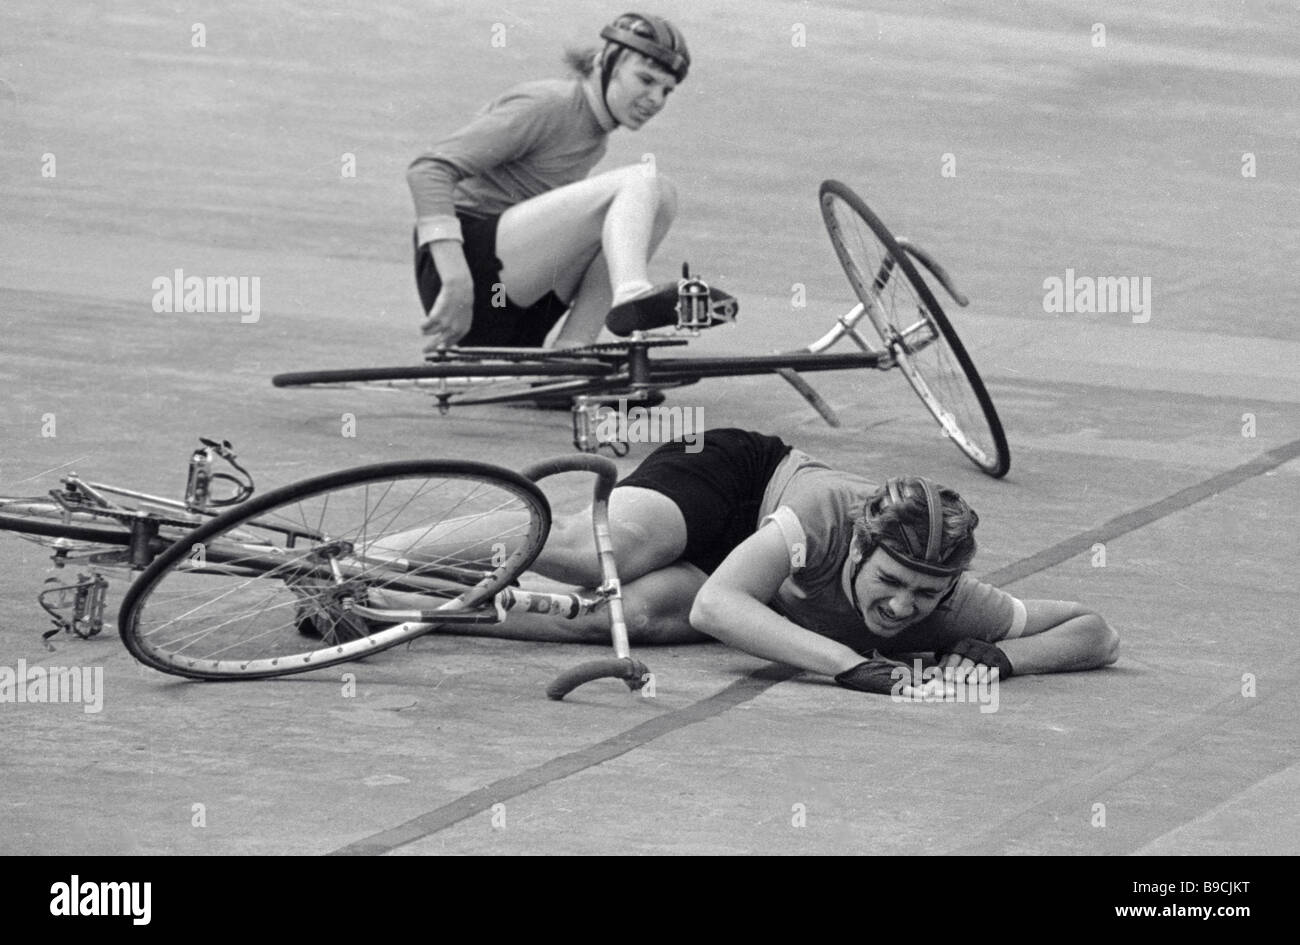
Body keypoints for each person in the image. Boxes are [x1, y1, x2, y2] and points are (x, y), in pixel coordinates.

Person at [373, 429, 1119, 698]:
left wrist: (1007, 658)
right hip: (733, 484)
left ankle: (386, 608)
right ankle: (368, 554)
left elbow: (1095, 631)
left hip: (737, 567)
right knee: (601, 552)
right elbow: (719, 609)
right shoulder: (827, 511)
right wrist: (847, 665)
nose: (902, 608)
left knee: (621, 619)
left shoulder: (950, 600)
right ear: (861, 546)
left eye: (924, 596)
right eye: (890, 582)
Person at [407, 12, 734, 354]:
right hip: (465, 281)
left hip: (511, 302)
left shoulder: (596, 133)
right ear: (603, 63)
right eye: (645, 80)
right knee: (644, 182)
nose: (656, 100)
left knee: (661, 198)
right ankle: (631, 295)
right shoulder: (551, 103)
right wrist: (456, 281)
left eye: (666, 90)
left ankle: (571, 351)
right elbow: (428, 169)